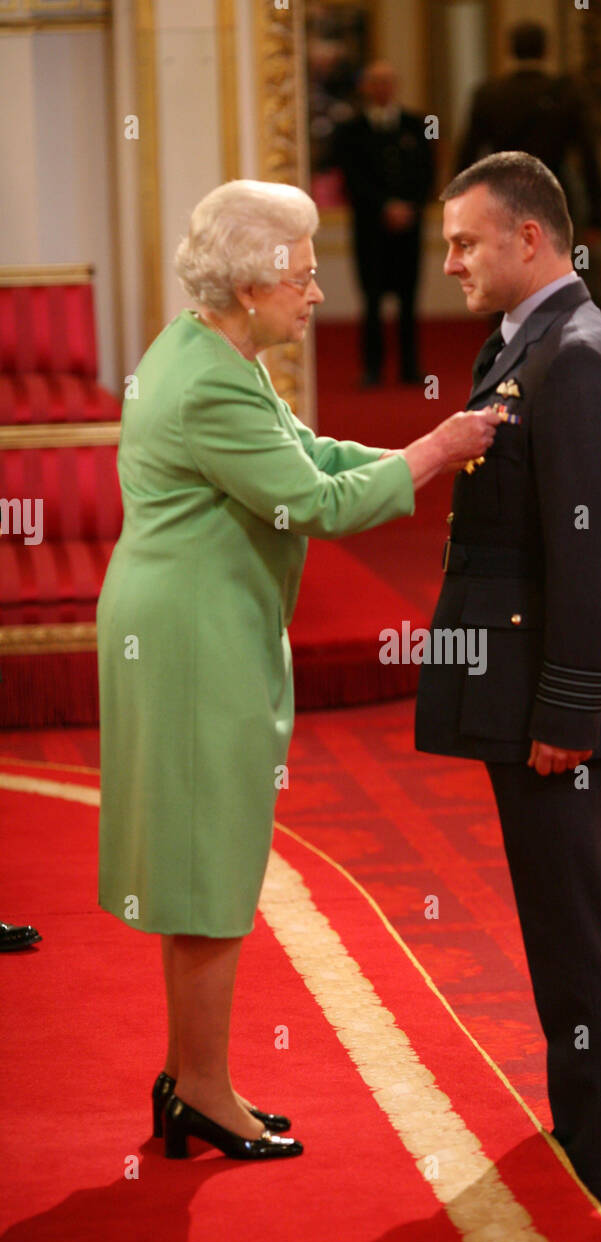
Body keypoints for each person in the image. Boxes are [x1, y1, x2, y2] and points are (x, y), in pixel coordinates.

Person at [97, 179, 500, 1162]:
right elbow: (310, 502)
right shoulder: (208, 377)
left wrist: (405, 453)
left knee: (203, 861)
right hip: (193, 636)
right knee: (209, 868)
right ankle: (199, 1087)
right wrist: (437, 450)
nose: (317, 293)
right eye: (304, 276)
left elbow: (306, 452)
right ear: (248, 284)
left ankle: (191, 1077)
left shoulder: (213, 351)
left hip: (197, 619)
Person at [415, 152, 601, 1231]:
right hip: (523, 692)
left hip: (557, 704)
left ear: (528, 238)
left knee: (578, 934)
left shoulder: (574, 356)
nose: (451, 261)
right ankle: (578, 1132)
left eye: (466, 242)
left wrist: (564, 711)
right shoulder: (524, 341)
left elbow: (595, 555)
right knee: (553, 928)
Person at [454, 22, 601, 294]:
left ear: (510, 50)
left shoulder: (489, 94)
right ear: (545, 50)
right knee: (555, 282)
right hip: (554, 197)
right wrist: (597, 216)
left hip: (502, 199)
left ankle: (508, 335)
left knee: (502, 281)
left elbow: (467, 157)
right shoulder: (566, 93)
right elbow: (589, 157)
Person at [332, 61, 434, 386]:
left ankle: (409, 367)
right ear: (365, 87)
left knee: (409, 297)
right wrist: (384, 206)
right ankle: (372, 369)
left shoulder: (417, 125)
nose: (381, 88)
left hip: (409, 226)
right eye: (375, 82)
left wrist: (409, 207)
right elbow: (350, 178)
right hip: (369, 227)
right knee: (371, 298)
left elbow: (427, 172)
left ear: (396, 85)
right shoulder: (350, 130)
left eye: (387, 82)